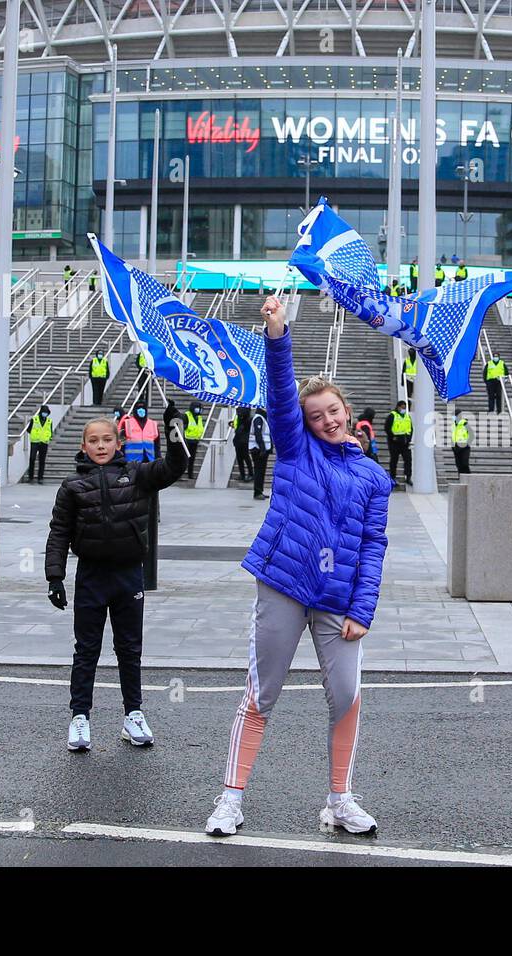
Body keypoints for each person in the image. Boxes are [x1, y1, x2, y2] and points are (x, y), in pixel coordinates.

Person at [204, 294, 393, 838]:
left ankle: (340, 799)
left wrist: (363, 608)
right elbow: (283, 395)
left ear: (348, 412)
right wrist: (278, 335)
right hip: (284, 585)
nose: (327, 420)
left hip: (339, 601)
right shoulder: (293, 449)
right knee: (261, 695)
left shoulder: (374, 478)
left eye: (333, 411)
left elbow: (375, 544)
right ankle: (230, 799)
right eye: (317, 416)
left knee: (348, 700)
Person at [45, 415, 187, 752]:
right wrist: (55, 577)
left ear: (118, 443)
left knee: (129, 648)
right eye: (93, 441)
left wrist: (173, 430)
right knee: (86, 649)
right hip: (92, 576)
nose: (100, 446)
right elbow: (59, 532)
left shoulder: (138, 474)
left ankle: (133, 714)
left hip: (128, 575)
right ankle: (80, 717)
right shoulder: (72, 486)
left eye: (106, 439)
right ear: (83, 446)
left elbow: (173, 467)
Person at [384, 400, 413, 487]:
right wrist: (393, 437)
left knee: (408, 460)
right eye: (402, 407)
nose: (403, 409)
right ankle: (393, 477)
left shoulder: (407, 416)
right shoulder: (392, 415)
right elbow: (387, 428)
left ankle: (408, 477)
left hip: (405, 442)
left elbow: (410, 429)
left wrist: (408, 439)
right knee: (394, 461)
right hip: (395, 443)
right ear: (398, 407)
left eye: (405, 408)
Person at [250, 408, 272, 499]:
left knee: (261, 471)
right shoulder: (258, 418)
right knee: (259, 471)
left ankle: (260, 491)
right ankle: (257, 492)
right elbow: (258, 434)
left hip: (262, 449)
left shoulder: (263, 418)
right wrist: (262, 448)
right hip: (258, 449)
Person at [28, 405, 53, 484]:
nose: (45, 414)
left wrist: (48, 437)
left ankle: (40, 478)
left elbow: (50, 431)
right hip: (35, 441)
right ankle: (31, 477)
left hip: (44, 442)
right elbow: (29, 429)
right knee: (32, 459)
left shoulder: (49, 421)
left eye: (46, 412)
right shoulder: (34, 419)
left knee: (42, 461)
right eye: (44, 412)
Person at [183, 401, 207, 479]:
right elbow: (183, 427)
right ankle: (180, 473)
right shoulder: (186, 415)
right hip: (187, 440)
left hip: (195, 440)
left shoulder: (198, 417)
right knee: (184, 458)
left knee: (192, 458)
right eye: (198, 408)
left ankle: (190, 474)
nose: (199, 410)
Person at [232, 408, 254, 482]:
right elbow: (238, 428)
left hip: (244, 441)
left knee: (246, 457)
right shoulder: (240, 418)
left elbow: (246, 429)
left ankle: (251, 474)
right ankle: (242, 474)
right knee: (239, 458)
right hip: (239, 440)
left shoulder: (248, 419)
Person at [452, 407, 472, 476]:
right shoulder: (453, 425)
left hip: (464, 447)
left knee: (464, 464)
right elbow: (453, 436)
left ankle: (469, 478)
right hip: (456, 447)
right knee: (459, 465)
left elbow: (471, 434)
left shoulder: (464, 423)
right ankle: (461, 480)